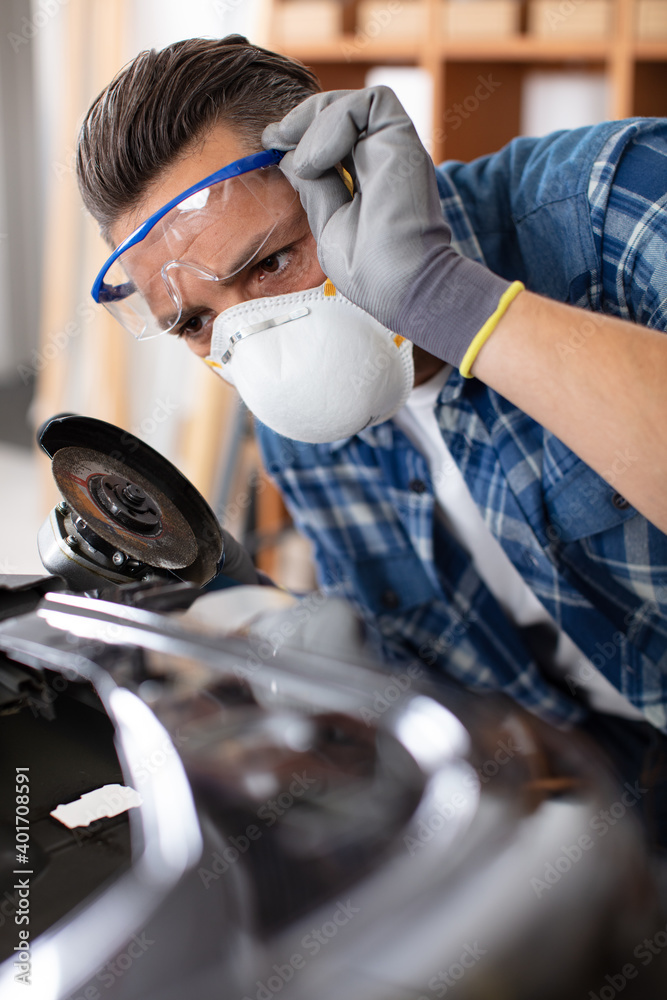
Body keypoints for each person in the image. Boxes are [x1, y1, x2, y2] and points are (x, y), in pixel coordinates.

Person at [76, 35, 667, 847]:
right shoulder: (304, 434)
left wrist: (450, 303)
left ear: (345, 172)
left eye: (273, 261)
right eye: (194, 321)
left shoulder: (611, 210)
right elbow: (486, 718)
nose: (255, 338)